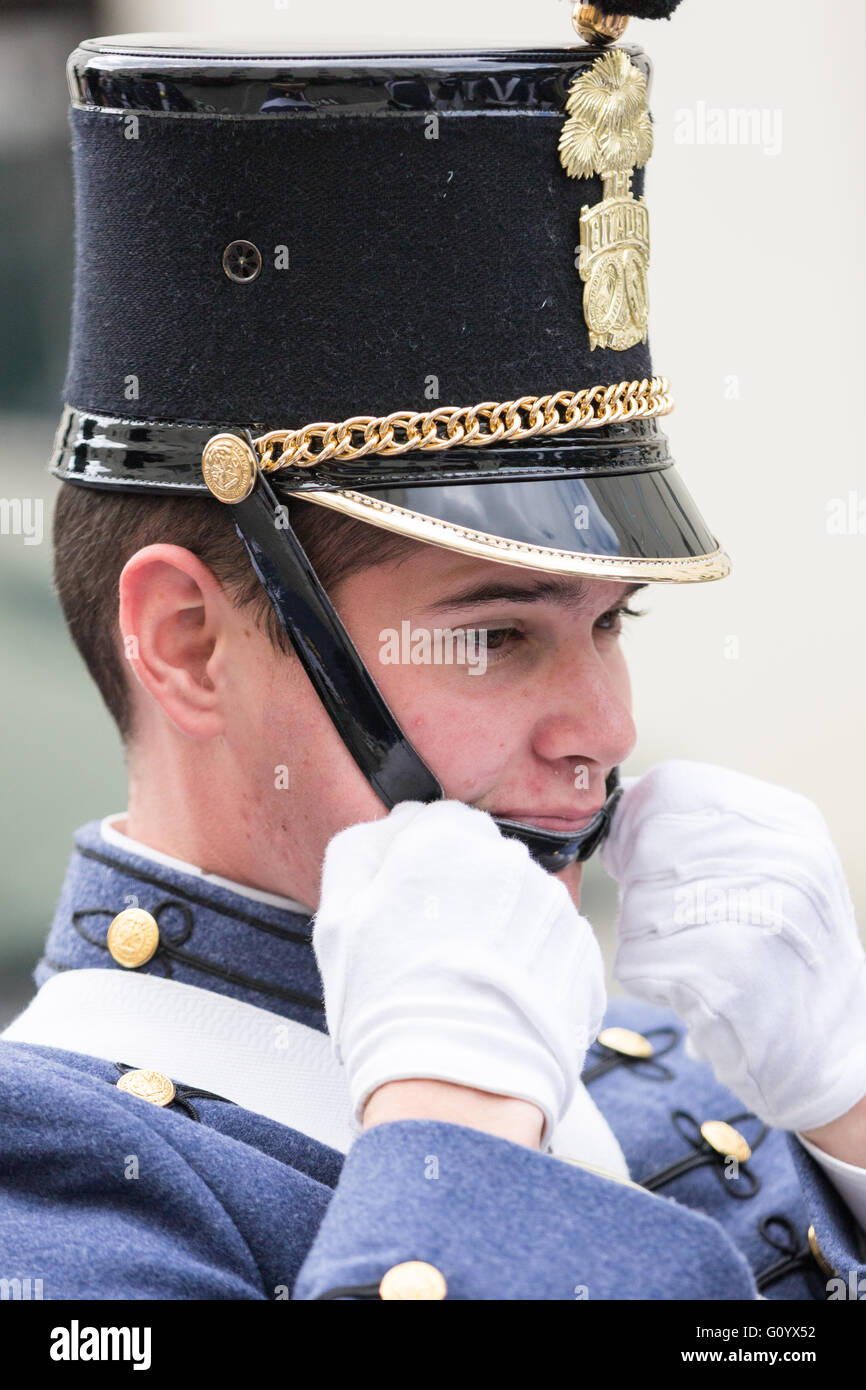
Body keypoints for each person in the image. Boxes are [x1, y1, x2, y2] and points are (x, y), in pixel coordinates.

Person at [2, 8, 865, 1301]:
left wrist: (849, 1111)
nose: (603, 725)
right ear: (187, 644)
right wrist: (454, 1137)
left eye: (608, 623)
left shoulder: (659, 1063)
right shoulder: (60, 1169)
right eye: (498, 632)